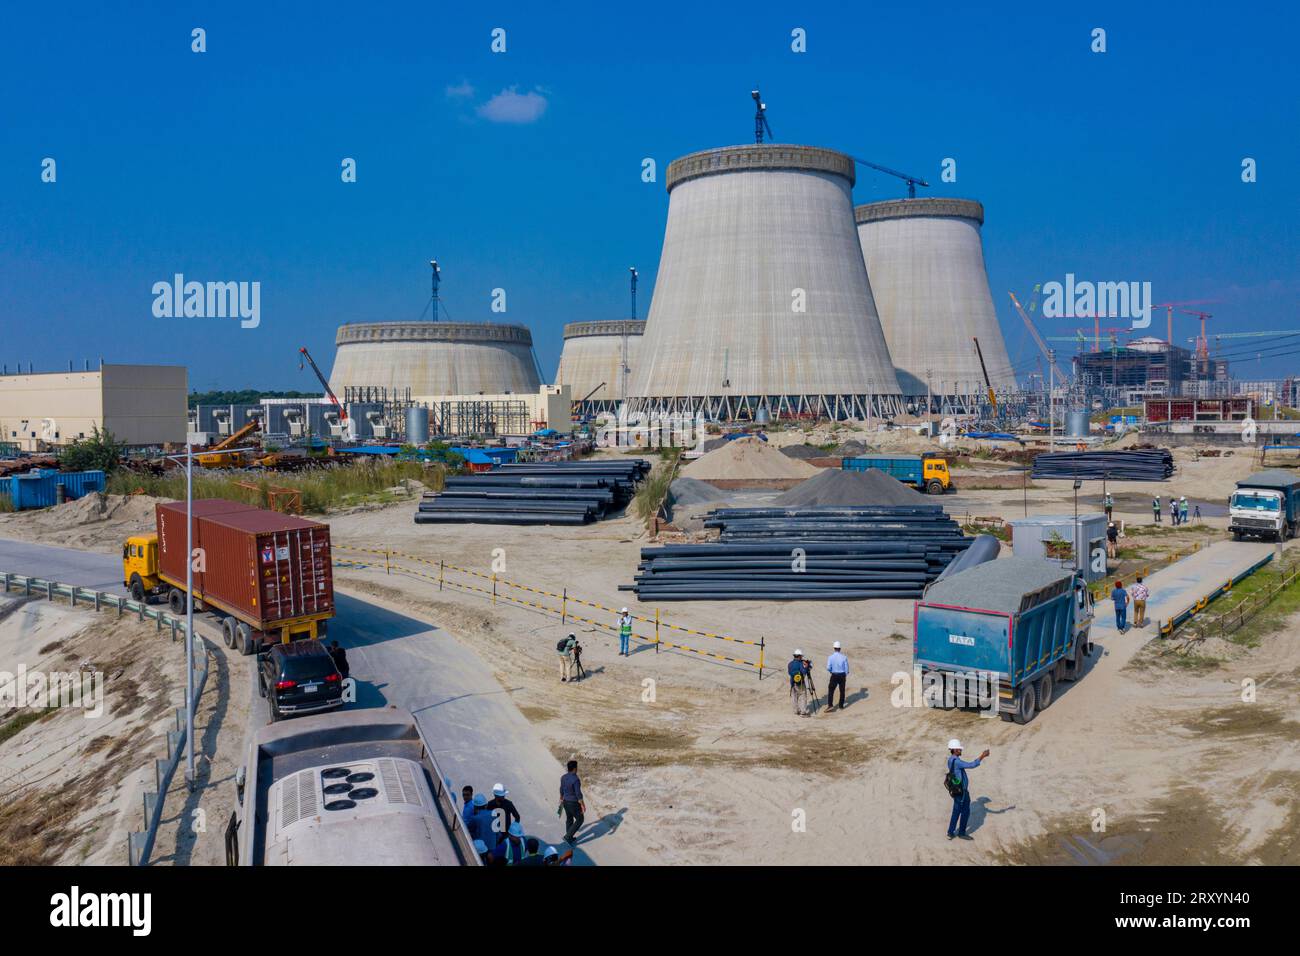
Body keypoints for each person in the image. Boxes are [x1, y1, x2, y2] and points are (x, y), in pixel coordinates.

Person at [945, 739, 989, 841]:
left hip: (956, 790)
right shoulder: (957, 762)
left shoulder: (950, 760)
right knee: (965, 812)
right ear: (954, 750)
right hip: (962, 792)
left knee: (956, 812)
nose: (961, 750)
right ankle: (961, 833)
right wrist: (982, 756)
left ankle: (950, 832)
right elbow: (971, 765)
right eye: (959, 749)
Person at [559, 759, 585, 844]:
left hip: (565, 802)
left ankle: (569, 836)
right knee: (580, 819)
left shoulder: (563, 777)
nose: (577, 769)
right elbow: (578, 793)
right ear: (574, 768)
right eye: (576, 767)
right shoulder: (575, 779)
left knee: (569, 819)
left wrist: (561, 797)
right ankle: (567, 837)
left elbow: (561, 789)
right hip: (573, 803)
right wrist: (583, 804)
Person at [826, 641, 849, 712]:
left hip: (834, 675)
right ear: (840, 648)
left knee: (831, 690)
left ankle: (830, 705)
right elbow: (847, 669)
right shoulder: (844, 657)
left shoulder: (830, 657)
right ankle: (841, 706)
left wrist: (831, 671)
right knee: (842, 691)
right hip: (842, 675)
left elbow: (828, 667)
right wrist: (845, 674)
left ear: (834, 648)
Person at [788, 649, 810, 717]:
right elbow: (803, 672)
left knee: (795, 697)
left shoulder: (790, 664)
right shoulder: (801, 663)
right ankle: (803, 712)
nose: (802, 658)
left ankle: (796, 710)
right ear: (799, 656)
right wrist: (806, 667)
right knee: (803, 696)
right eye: (801, 656)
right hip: (800, 683)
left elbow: (789, 673)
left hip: (793, 683)